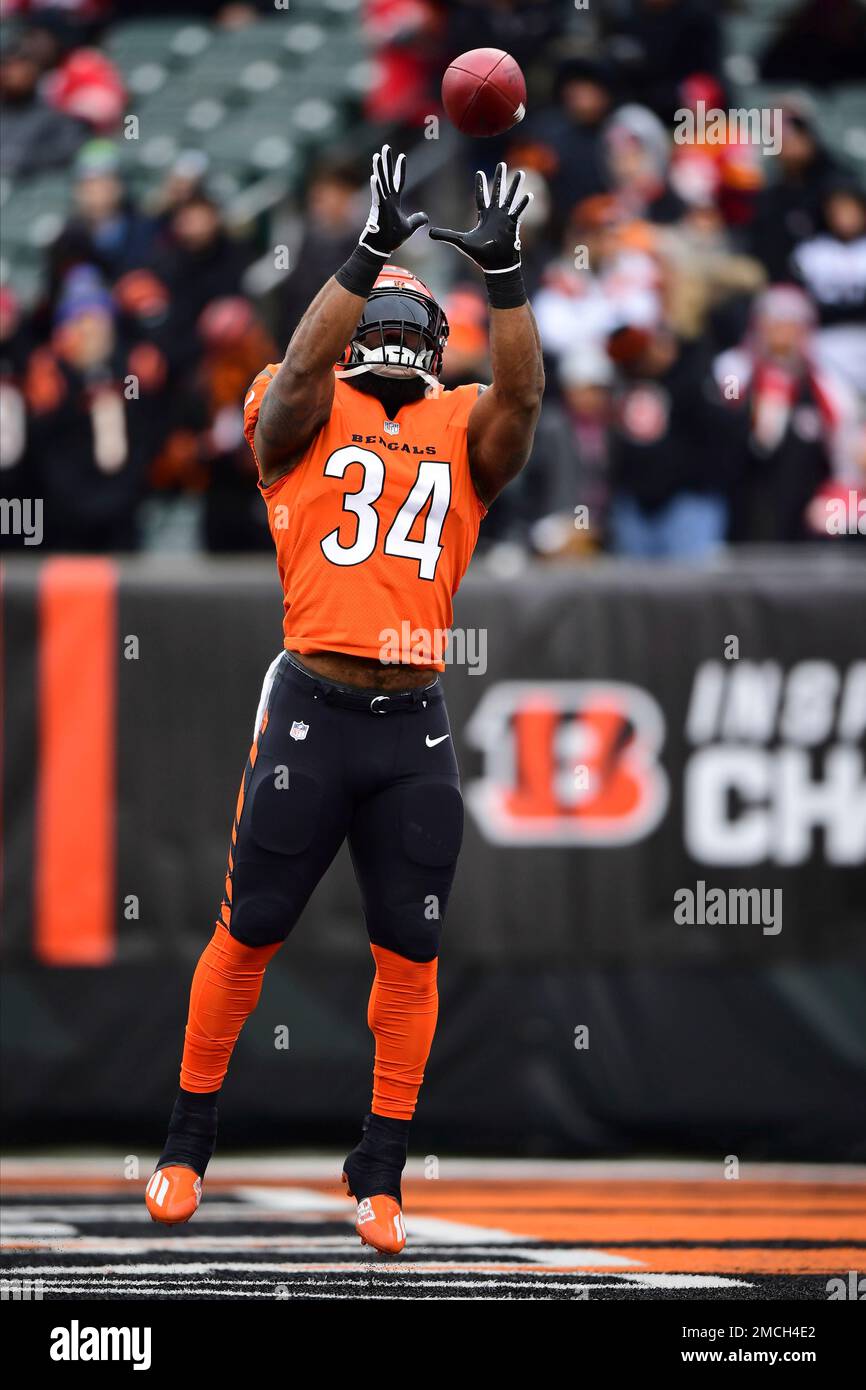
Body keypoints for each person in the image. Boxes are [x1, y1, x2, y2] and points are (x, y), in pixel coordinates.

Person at [145, 146, 544, 1254]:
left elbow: (521, 395)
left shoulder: (463, 427)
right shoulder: (296, 410)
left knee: (407, 950)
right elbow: (296, 378)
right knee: (252, 926)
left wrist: (505, 277)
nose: (393, 335)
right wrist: (366, 253)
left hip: (411, 719)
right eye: (382, 316)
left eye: (407, 319)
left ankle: (379, 1171)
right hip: (312, 706)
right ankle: (184, 1143)